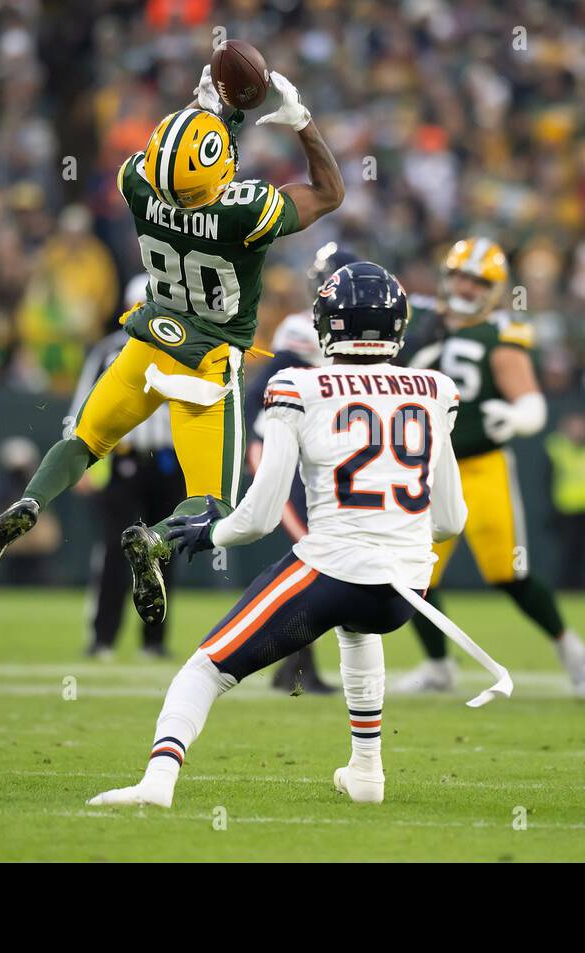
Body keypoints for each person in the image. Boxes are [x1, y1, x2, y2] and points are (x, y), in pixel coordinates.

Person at [0, 65, 344, 633]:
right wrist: (301, 122)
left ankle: (33, 501)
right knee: (211, 501)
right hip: (209, 362)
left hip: (148, 340)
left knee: (84, 441)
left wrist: (215, 112)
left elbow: (181, 161)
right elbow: (329, 193)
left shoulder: (136, 183)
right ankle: (157, 539)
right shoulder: (243, 211)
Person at [87, 262, 477, 809]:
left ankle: (158, 782)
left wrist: (208, 532)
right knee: (359, 631)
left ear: (327, 323)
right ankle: (368, 772)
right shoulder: (436, 390)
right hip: (405, 590)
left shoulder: (299, 385)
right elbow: (450, 521)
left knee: (203, 670)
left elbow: (260, 518)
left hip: (332, 573)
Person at [396, 237, 585, 696]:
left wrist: (517, 417)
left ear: (496, 288)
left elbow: (532, 403)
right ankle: (438, 666)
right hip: (425, 468)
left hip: (482, 466)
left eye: (479, 280)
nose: (467, 286)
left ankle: (572, 651)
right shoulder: (415, 318)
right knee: (412, 578)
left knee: (509, 573)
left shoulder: (500, 334)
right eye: (461, 276)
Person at [238, 243, 361, 693]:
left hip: (313, 456)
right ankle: (293, 666)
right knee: (315, 552)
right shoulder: (301, 328)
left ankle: (292, 668)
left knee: (318, 555)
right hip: (275, 446)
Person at [70, 301, 184, 658]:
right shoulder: (109, 350)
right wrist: (80, 458)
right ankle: (103, 637)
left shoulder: (185, 346)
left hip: (168, 461)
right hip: (124, 461)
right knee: (116, 552)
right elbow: (82, 406)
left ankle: (154, 641)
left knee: (163, 552)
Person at [544, 410, 585, 590]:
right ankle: (564, 587)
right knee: (567, 551)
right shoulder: (557, 448)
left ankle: (580, 588)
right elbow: (546, 480)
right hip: (566, 509)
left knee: (584, 553)